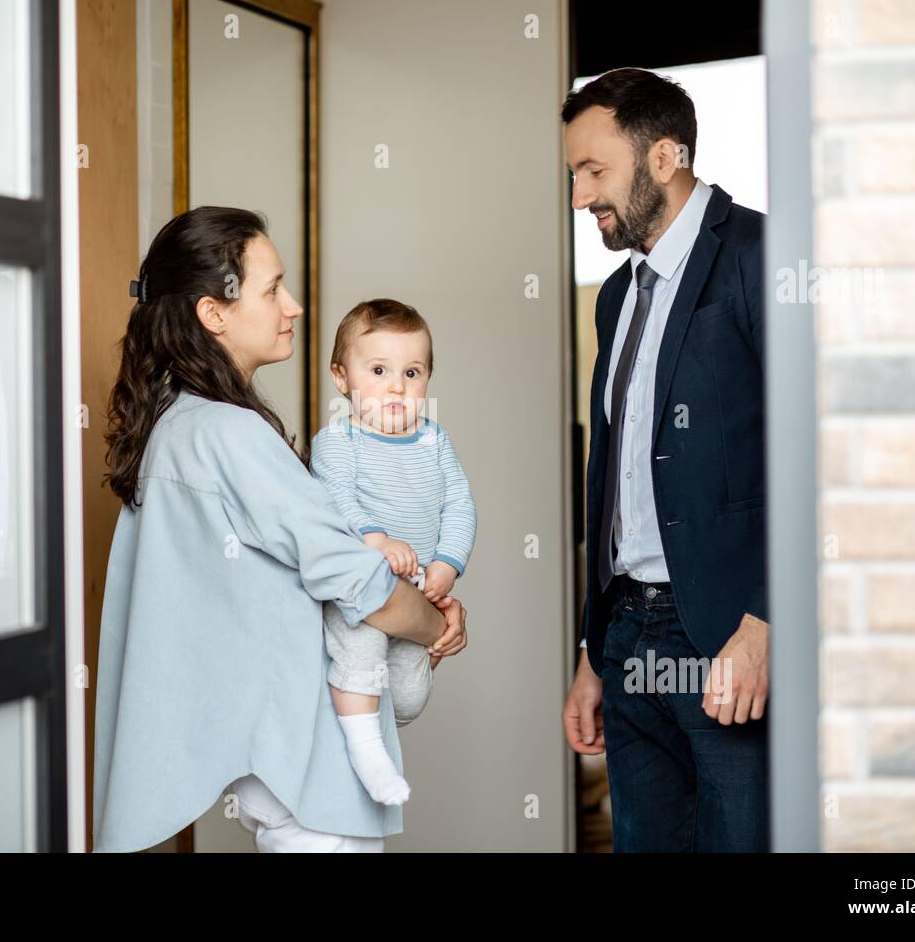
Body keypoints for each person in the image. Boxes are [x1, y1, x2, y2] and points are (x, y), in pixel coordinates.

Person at [92, 206, 467, 853]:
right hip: (308, 777)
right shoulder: (230, 435)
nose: (292, 306)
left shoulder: (177, 427)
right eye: (272, 290)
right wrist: (438, 623)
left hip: (271, 771)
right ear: (215, 312)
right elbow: (355, 580)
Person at [559, 68, 771, 851]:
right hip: (627, 642)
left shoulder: (761, 255)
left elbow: (811, 457)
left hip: (727, 638)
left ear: (663, 157)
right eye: (574, 174)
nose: (579, 197)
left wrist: (767, 621)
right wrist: (592, 652)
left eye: (593, 170)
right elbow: (608, 478)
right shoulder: (616, 296)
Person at [311, 298, 477, 806]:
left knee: (409, 694)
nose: (396, 386)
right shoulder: (338, 440)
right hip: (361, 590)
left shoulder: (434, 441)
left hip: (419, 590)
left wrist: (448, 563)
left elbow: (461, 504)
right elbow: (335, 495)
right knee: (359, 653)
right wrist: (376, 540)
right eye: (378, 370)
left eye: (412, 371)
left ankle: (374, 729)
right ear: (342, 378)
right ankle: (365, 750)